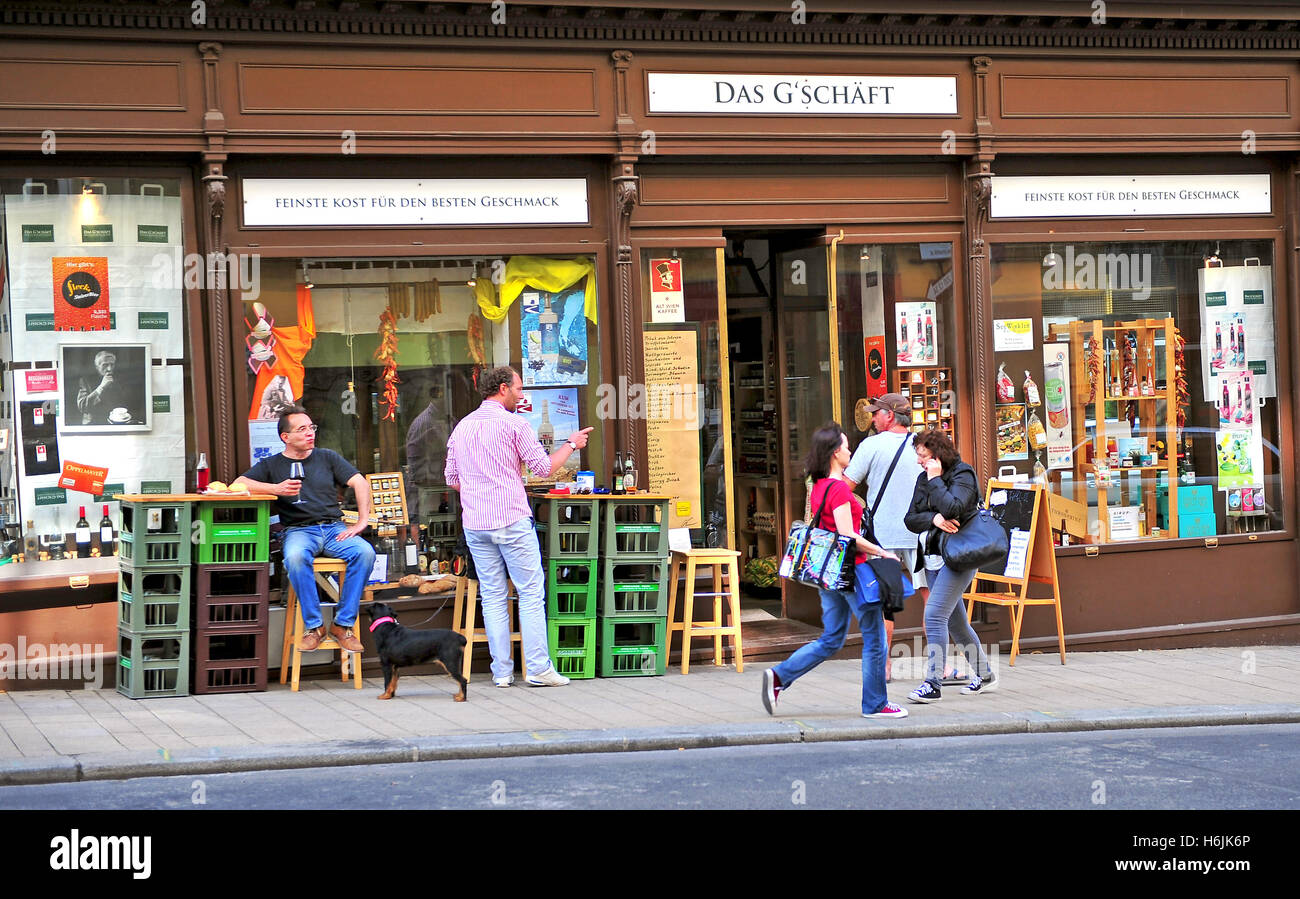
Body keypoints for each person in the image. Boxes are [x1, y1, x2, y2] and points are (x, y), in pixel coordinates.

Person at [444, 365, 593, 688]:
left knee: (494, 595)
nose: (521, 394)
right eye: (519, 388)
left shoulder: (462, 428)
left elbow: (452, 479)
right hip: (511, 517)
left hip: (476, 523)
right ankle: (538, 668)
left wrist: (479, 490)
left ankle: (501, 672)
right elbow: (543, 469)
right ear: (502, 388)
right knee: (529, 592)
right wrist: (571, 444)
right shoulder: (515, 424)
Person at [761, 422, 909, 720]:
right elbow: (847, 536)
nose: (850, 450)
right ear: (834, 453)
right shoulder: (839, 488)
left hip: (829, 577)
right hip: (853, 575)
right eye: (846, 446)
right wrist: (883, 553)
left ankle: (778, 677)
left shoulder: (819, 487)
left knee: (832, 639)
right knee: (875, 637)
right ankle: (876, 704)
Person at [234, 407, 375, 653]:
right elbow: (238, 484)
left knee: (364, 553)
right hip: (299, 531)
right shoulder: (272, 464)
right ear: (285, 437)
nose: (310, 434)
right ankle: (315, 626)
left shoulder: (327, 457)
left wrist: (362, 521)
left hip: (334, 529)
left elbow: (359, 482)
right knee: (296, 558)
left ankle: (342, 624)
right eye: (302, 429)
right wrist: (276, 489)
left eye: (311, 428)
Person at [902, 429, 996, 702]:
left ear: (937, 455)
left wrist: (934, 480)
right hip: (932, 557)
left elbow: (954, 507)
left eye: (922, 455)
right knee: (956, 624)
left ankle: (933, 683)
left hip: (960, 556)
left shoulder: (963, 475)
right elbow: (910, 519)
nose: (919, 461)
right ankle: (985, 674)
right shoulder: (923, 479)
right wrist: (933, 519)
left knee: (933, 615)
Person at [844, 393, 930, 683]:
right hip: (923, 532)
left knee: (884, 602)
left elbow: (846, 488)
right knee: (932, 597)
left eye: (876, 413)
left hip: (882, 534)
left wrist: (861, 511)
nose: (873, 418)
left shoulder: (871, 445)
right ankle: (938, 666)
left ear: (890, 416)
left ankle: (884, 666)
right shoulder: (925, 444)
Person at [76, 350, 137, 425]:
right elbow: (83, 407)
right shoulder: (86, 380)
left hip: (116, 422)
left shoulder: (118, 379)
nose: (109, 369)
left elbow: (128, 403)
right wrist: (101, 387)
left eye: (112, 365)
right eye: (105, 365)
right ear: (97, 367)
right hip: (93, 424)